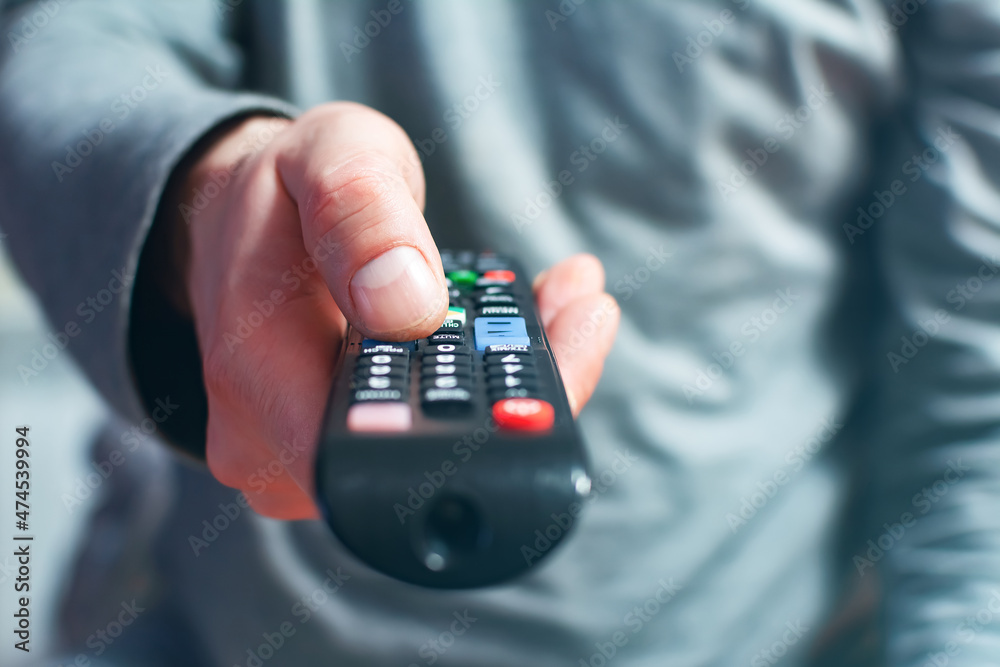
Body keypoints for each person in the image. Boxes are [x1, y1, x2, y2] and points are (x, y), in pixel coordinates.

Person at [2, 0, 999, 665]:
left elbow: (976, 373)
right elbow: (73, 38)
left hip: (759, 637)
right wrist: (208, 182)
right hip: (208, 626)